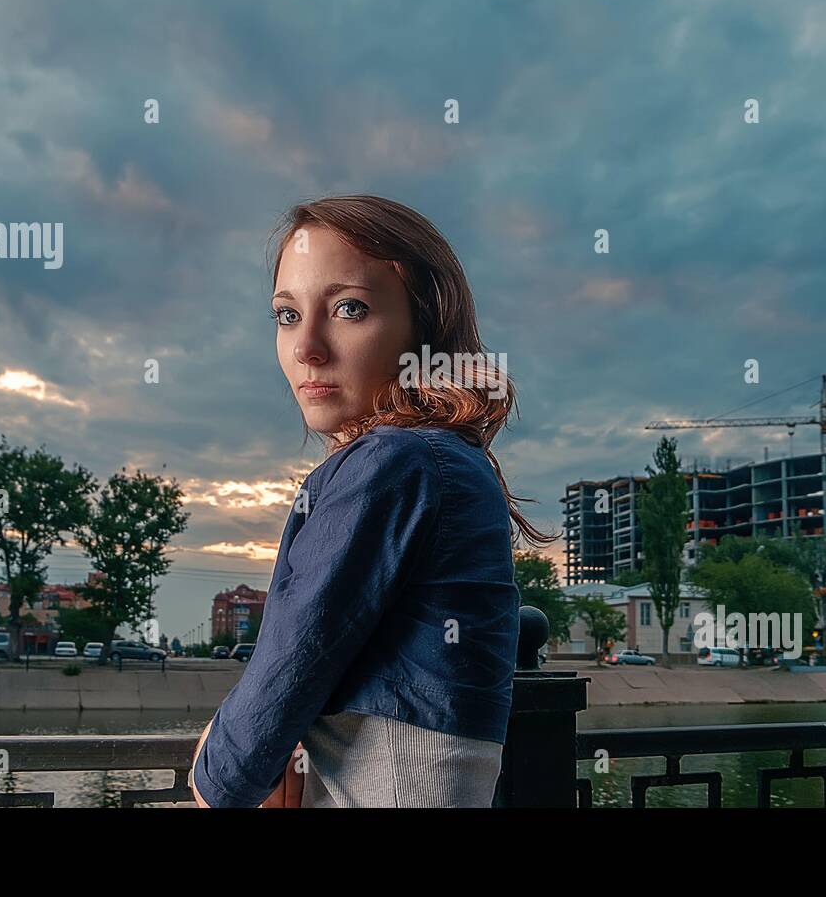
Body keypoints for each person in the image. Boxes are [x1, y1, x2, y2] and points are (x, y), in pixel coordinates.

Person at [190, 195, 556, 808]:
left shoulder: (395, 462)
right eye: (285, 315)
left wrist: (217, 778)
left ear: (426, 324)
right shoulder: (446, 461)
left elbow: (298, 649)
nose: (306, 346)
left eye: (348, 309)